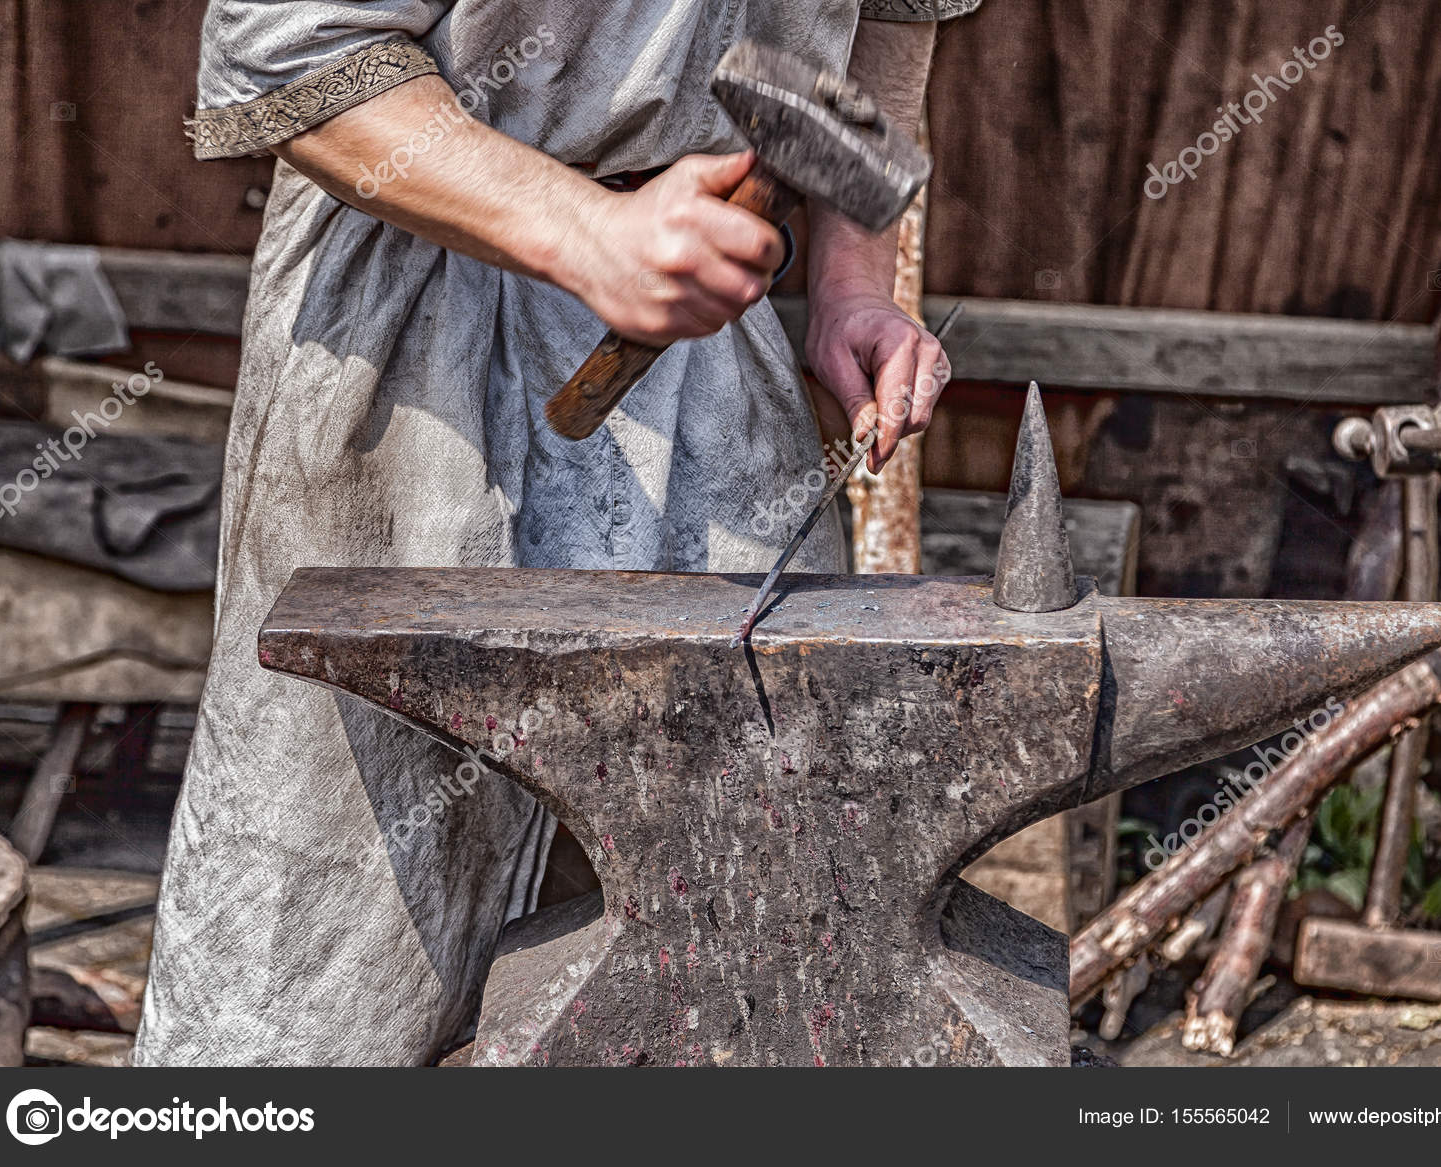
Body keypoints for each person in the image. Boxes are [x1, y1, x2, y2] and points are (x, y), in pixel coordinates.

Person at [135, 0, 981, 1066]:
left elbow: (888, 30)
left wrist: (853, 288)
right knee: (348, 917)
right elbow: (289, 48)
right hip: (420, 331)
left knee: (724, 886)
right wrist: (587, 232)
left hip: (709, 348)